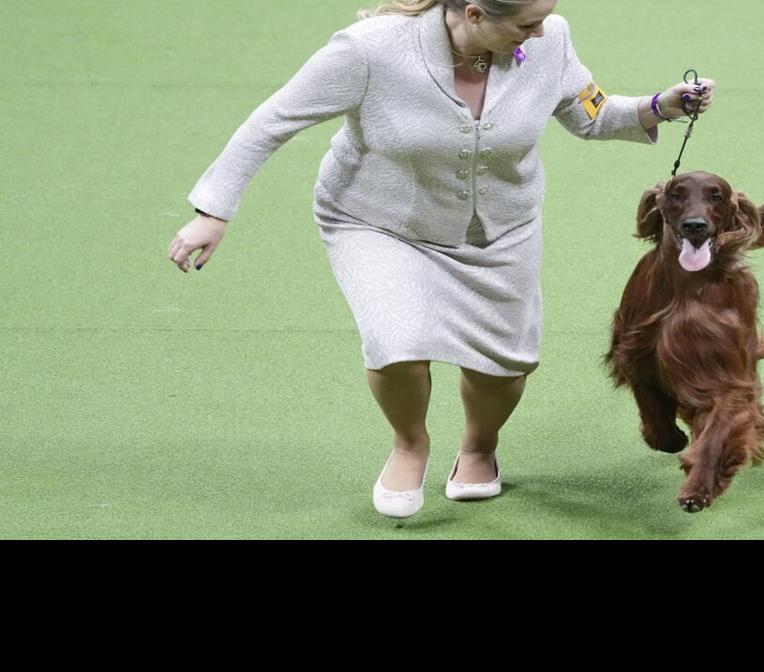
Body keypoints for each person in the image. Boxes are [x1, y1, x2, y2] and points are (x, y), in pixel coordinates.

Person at [166, 0, 715, 518]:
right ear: (474, 13)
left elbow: (588, 110)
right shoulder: (370, 50)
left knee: (504, 362)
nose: (541, 33)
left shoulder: (550, 39)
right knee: (395, 338)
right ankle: (410, 445)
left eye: (544, 18)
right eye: (526, 25)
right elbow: (273, 120)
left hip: (502, 228)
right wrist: (213, 210)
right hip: (379, 221)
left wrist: (659, 106)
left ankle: (479, 447)